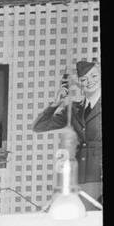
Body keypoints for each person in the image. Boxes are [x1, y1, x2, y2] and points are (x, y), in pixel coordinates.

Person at [33, 59, 102, 204]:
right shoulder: (74, 109)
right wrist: (56, 103)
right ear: (78, 83)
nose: (90, 82)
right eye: (84, 79)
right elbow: (39, 126)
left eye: (94, 76)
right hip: (79, 178)